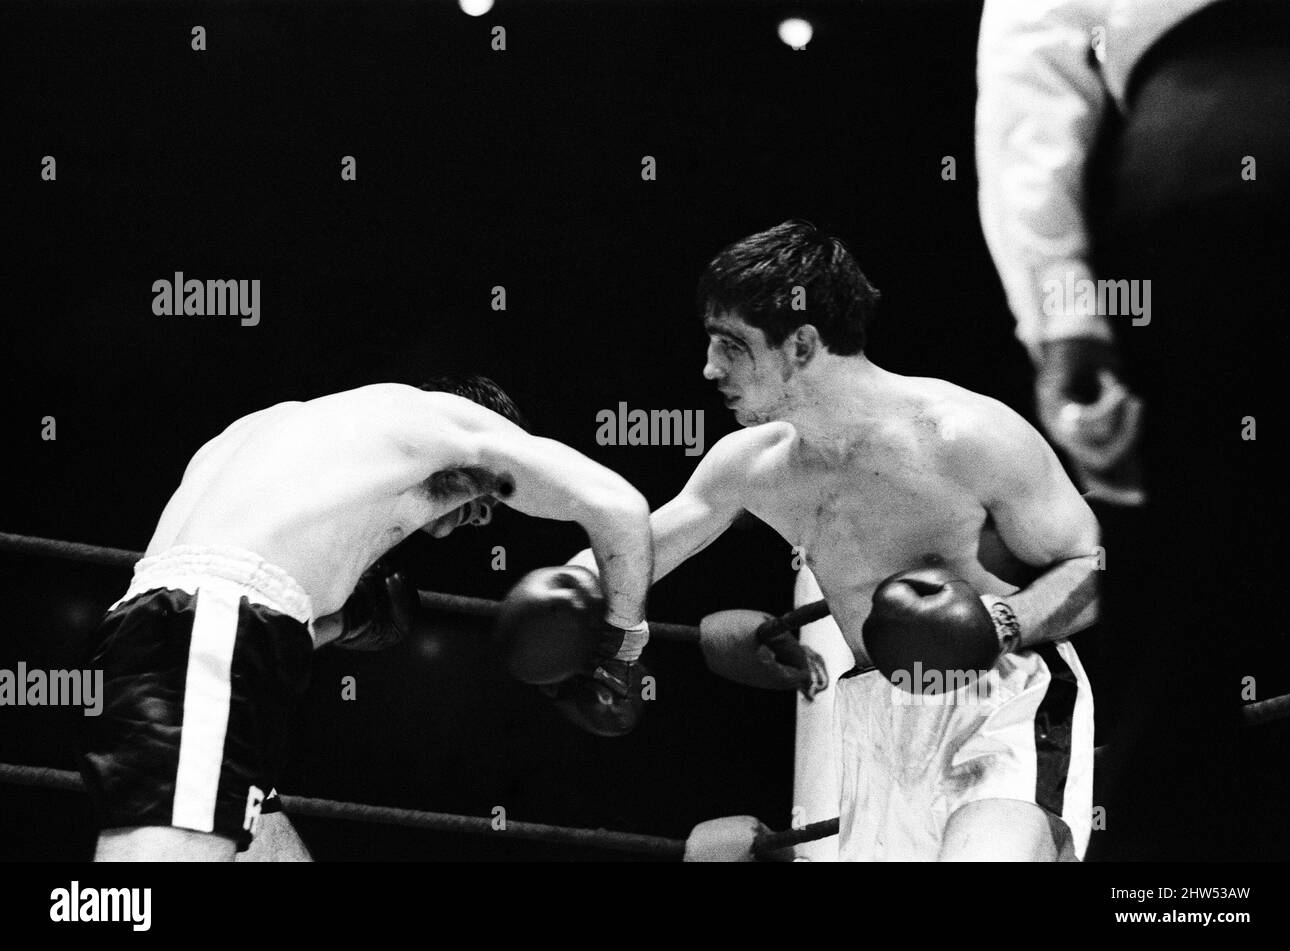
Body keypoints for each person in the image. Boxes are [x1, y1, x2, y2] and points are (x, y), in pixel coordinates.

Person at [576, 221, 1099, 860]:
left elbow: (1091, 567)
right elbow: (637, 547)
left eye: (731, 346)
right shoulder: (751, 466)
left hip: (999, 701)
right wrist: (566, 602)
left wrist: (1005, 622)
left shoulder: (966, 437)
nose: (709, 367)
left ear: (800, 343)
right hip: (875, 719)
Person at [78, 375, 653, 861]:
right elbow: (619, 508)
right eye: (479, 506)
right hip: (212, 643)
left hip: (179, 640)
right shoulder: (455, 422)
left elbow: (200, 597)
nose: (458, 524)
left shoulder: (272, 432)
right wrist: (620, 649)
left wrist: (338, 622)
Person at [977, 0, 1290, 857]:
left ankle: (1182, 909)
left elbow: (1031, 72)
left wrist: (1063, 317)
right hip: (1220, 131)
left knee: (1186, 644)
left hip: (1215, 142)